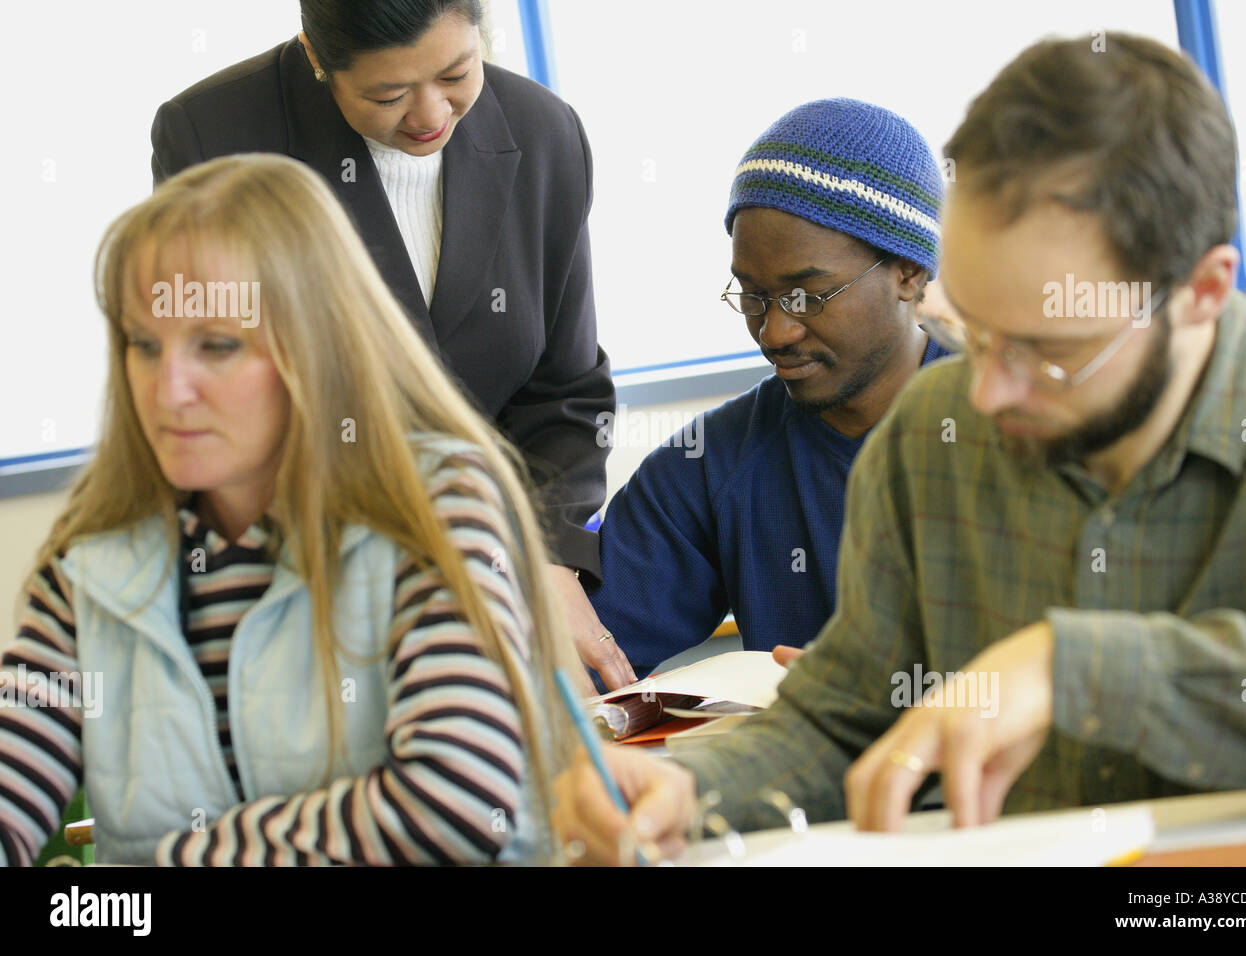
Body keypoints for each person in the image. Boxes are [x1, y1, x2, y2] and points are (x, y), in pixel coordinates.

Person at [553, 33, 1246, 863]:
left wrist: (1074, 670)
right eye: (975, 330)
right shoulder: (929, 435)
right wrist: (693, 791)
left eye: (1043, 347)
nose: (982, 393)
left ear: (1200, 294)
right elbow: (842, 717)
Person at [0, 154, 582, 866]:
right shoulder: (87, 564)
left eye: (216, 346)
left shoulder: (435, 504)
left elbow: (454, 806)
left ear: (318, 347)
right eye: (144, 345)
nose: (167, 389)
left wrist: (186, 861)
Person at [150, 0, 631, 691]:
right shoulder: (214, 137)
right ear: (317, 57)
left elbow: (567, 393)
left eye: (456, 73)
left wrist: (544, 560)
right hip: (306, 574)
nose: (430, 113)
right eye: (388, 93)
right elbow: (219, 405)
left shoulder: (544, 132)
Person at [585, 100, 950, 678]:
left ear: (907, 272)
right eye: (753, 296)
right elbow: (584, 649)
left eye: (807, 295)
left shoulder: (1019, 430)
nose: (776, 332)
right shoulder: (710, 465)